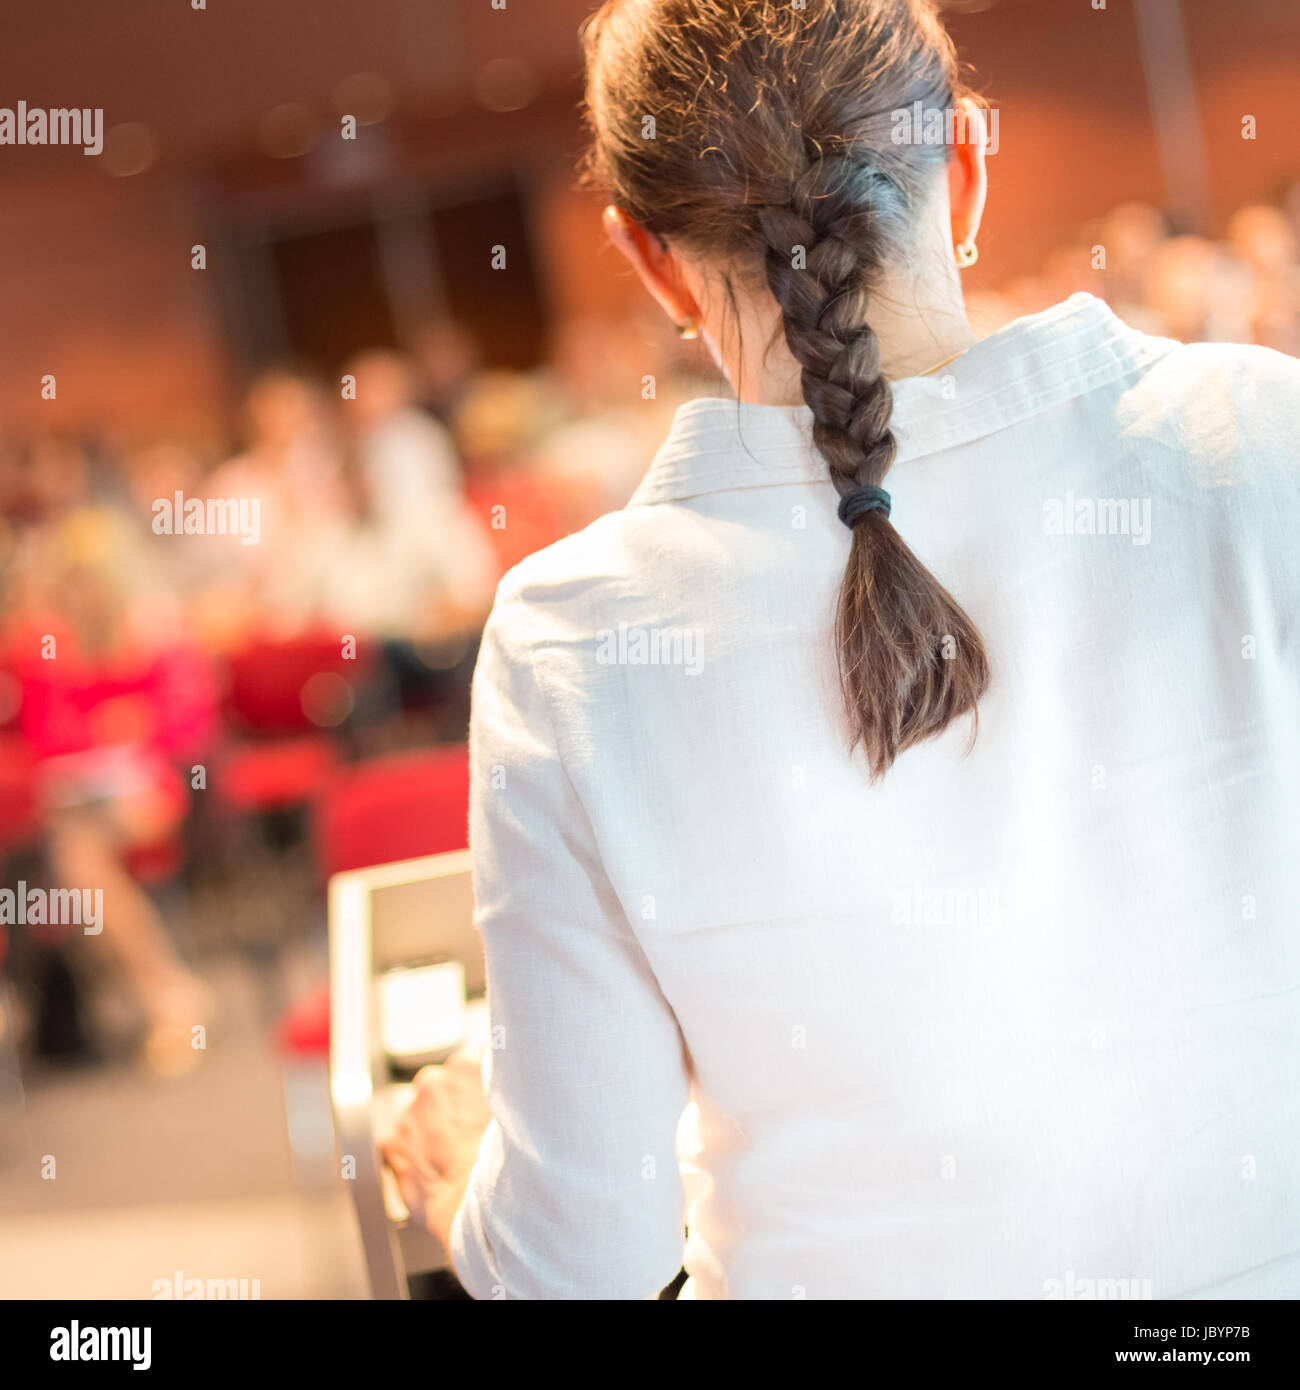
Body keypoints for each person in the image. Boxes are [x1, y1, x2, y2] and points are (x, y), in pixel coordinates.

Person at [381, 0, 1300, 1298]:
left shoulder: (574, 641)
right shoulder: (1263, 443)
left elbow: (579, 1263)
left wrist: (471, 1161)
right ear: (966, 164)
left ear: (650, 263)